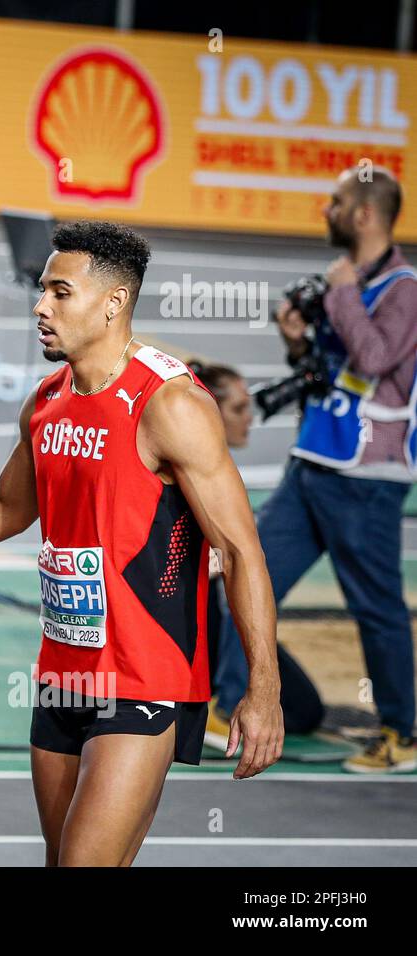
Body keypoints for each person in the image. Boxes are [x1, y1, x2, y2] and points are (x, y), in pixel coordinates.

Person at [0, 222, 284, 867]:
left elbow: (241, 552)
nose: (40, 307)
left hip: (145, 675)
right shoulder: (46, 401)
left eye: (59, 293)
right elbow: (2, 509)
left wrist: (262, 690)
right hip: (61, 678)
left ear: (113, 302)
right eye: (41, 292)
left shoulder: (170, 406)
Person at [213, 165, 416, 773]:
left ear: (363, 215)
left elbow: (376, 357)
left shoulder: (403, 287)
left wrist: (343, 292)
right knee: (245, 578)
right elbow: (331, 371)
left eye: (334, 202)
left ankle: (401, 733)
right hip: (314, 461)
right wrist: (299, 342)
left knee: (375, 607)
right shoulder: (349, 282)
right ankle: (226, 705)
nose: (324, 211)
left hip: (365, 476)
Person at [188, 361, 323, 737]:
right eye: (238, 409)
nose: (250, 418)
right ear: (209, 410)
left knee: (304, 711)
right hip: (184, 619)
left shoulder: (220, 469)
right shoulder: (177, 465)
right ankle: (208, 704)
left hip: (223, 616)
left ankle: (213, 697)